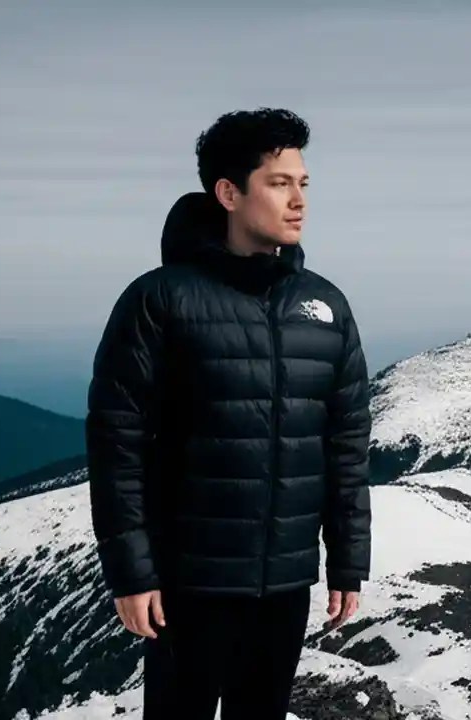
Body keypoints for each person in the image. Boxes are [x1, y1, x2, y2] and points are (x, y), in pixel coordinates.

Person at [86, 108, 371, 720]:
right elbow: (117, 444)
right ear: (229, 193)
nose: (299, 201)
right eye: (279, 183)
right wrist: (131, 574)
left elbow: (346, 444)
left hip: (286, 584)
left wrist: (348, 561)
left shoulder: (327, 306)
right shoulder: (158, 300)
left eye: (303, 183)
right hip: (189, 584)